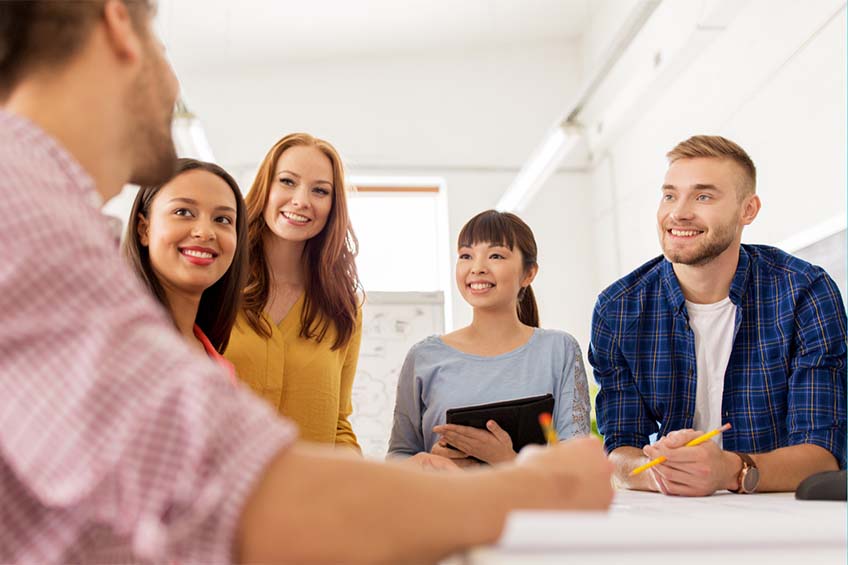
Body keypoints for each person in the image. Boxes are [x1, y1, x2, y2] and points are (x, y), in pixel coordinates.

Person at [0, 2, 613, 563]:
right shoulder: (25, 212)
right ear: (117, 22)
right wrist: (534, 488)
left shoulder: (50, 212)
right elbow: (241, 493)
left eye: (320, 190)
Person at [589, 134, 846, 497]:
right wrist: (657, 473)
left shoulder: (805, 293)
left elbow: (823, 456)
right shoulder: (618, 309)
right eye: (670, 195)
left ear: (748, 210)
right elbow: (619, 448)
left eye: (703, 196)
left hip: (782, 512)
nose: (678, 213)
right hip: (673, 514)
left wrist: (730, 470)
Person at [389, 210, 592, 468]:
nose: (477, 268)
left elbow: (576, 467)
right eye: (466, 256)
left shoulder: (559, 350)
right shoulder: (424, 357)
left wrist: (505, 460)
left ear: (529, 273)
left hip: (528, 496)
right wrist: (429, 463)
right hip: (445, 495)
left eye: (496, 255)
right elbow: (398, 456)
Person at [224, 132, 362, 450]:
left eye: (320, 190)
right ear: (265, 187)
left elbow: (338, 423)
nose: (301, 200)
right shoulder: (217, 283)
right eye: (287, 181)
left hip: (313, 481)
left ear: (334, 205)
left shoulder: (343, 307)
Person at [124, 158, 247, 380]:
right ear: (144, 229)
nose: (205, 232)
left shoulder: (218, 365)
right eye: (183, 212)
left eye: (222, 219)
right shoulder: (116, 339)